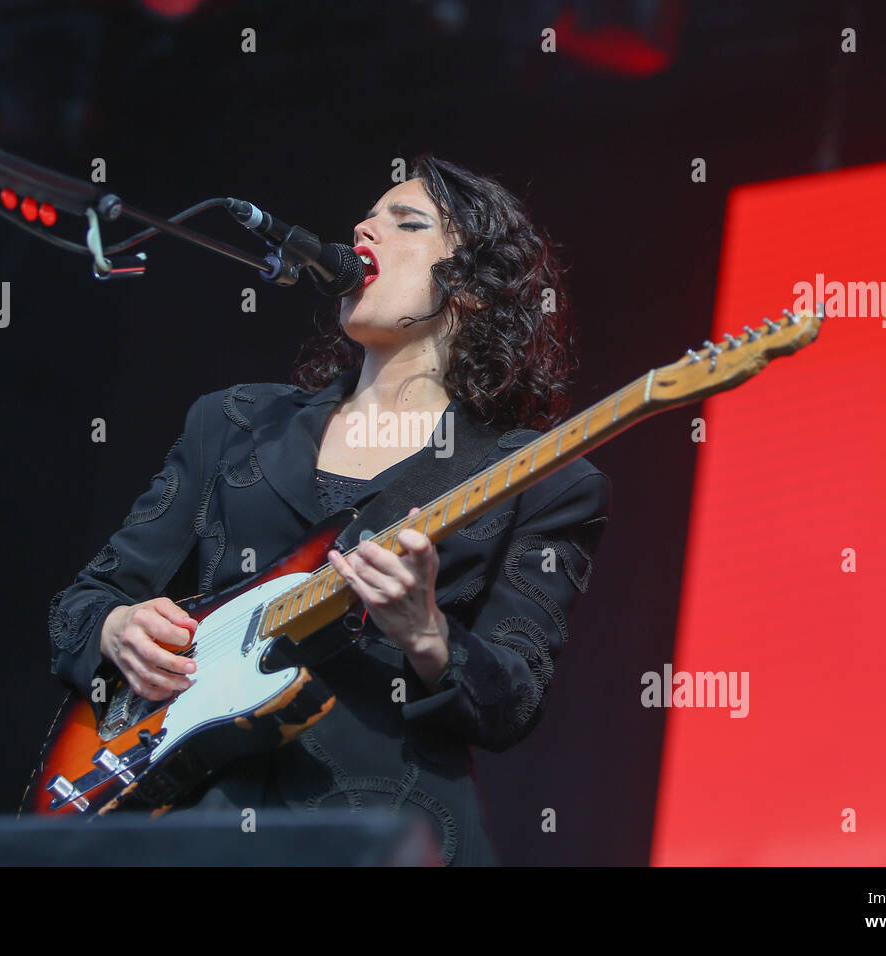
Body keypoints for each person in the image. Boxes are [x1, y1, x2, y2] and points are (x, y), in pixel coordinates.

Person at [47, 154, 611, 865]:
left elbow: (510, 701)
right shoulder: (234, 424)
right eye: (366, 218)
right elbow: (83, 602)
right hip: (189, 825)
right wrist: (117, 628)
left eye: (405, 222)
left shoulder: (541, 479)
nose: (364, 230)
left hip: (377, 831)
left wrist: (428, 633)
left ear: (468, 288)